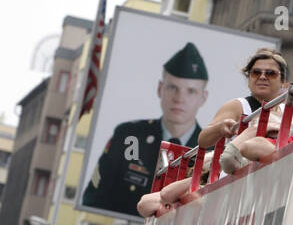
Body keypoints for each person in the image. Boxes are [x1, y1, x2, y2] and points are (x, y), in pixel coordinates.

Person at [82, 43, 209, 215]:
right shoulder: (130, 137)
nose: (180, 99)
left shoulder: (210, 149)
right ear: (160, 89)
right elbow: (94, 200)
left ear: (203, 98)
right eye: (173, 87)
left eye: (191, 91)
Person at [198, 48, 293, 152]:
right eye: (256, 73)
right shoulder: (239, 106)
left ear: (282, 80)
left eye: (270, 73)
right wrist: (220, 128)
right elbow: (203, 140)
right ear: (249, 79)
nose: (262, 77)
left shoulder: (288, 111)